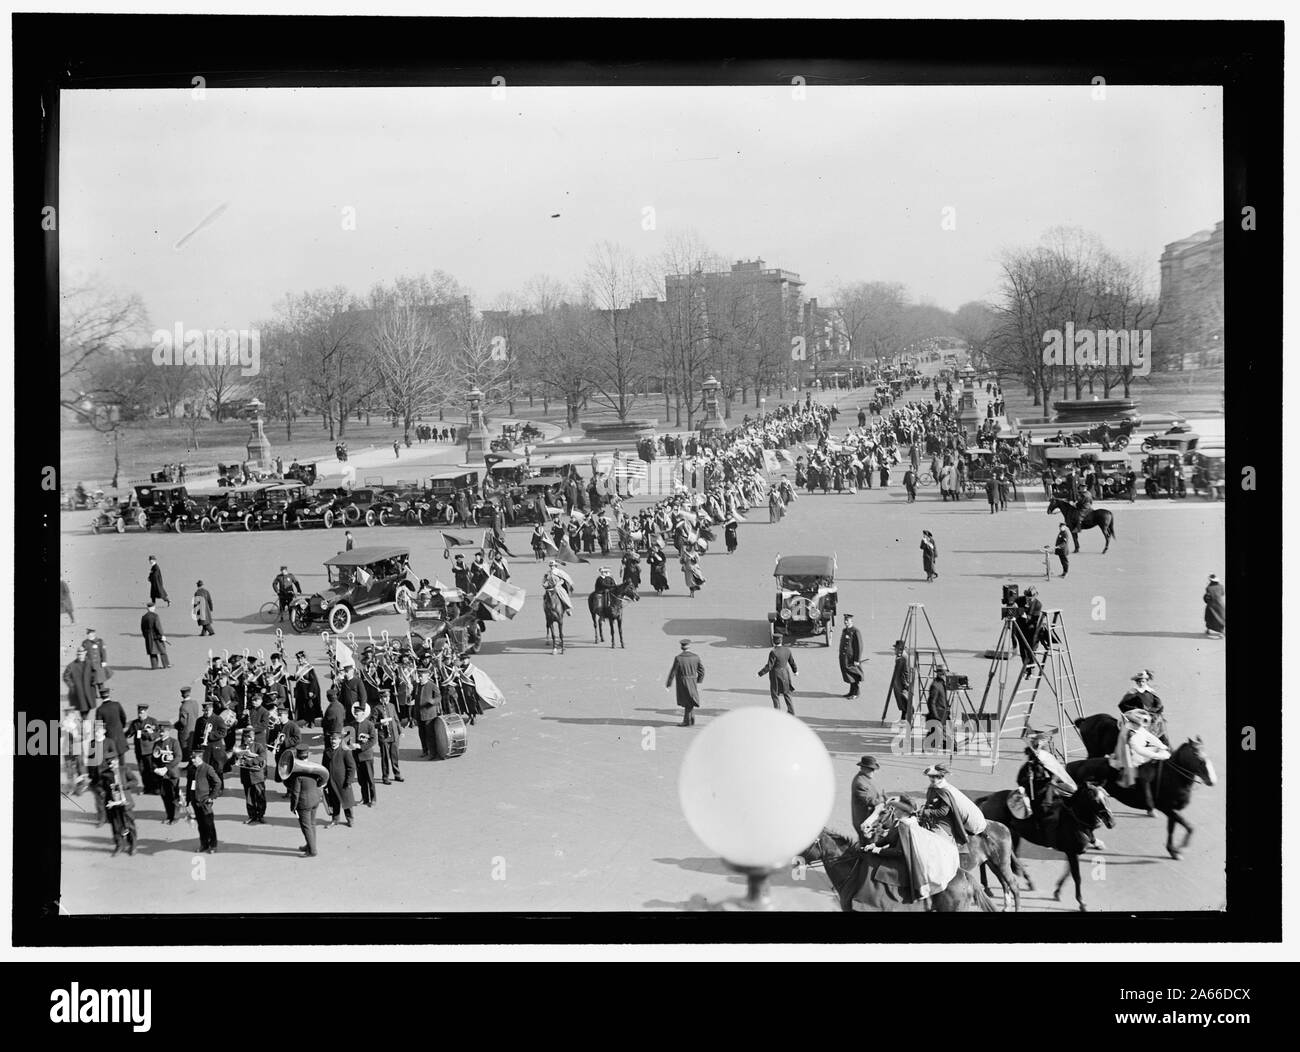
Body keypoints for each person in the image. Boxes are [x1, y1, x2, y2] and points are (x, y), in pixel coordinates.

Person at [917, 763, 987, 845]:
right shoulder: (933, 787)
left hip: (946, 818)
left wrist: (928, 812)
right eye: (931, 776)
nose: (933, 778)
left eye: (936, 776)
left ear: (941, 777)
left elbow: (943, 811)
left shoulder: (943, 791)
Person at [286, 745, 323, 857]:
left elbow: (295, 793)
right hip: (315, 799)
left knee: (306, 826)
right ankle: (310, 845)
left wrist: (293, 806)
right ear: (308, 755)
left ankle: (312, 851)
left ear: (297, 756)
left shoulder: (297, 774)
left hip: (304, 803)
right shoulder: (315, 768)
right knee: (312, 824)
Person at [187, 746, 223, 853]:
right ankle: (204, 844)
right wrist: (188, 800)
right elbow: (189, 785)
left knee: (209, 824)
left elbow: (218, 783)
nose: (192, 760)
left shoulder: (208, 769)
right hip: (195, 801)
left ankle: (213, 845)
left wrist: (211, 797)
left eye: (194, 758)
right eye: (191, 758)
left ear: (200, 758)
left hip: (205, 802)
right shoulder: (191, 769)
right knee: (201, 825)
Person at [666, 639, 705, 727]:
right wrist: (699, 680)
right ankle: (691, 719)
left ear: (681, 647)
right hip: (692, 680)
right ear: (689, 646)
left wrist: (669, 683)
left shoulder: (678, 658)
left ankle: (687, 721)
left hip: (682, 682)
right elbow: (701, 670)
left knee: (687, 701)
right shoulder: (696, 657)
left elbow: (673, 672)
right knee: (691, 699)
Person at [758, 634, 798, 714]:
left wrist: (760, 673)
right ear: (781, 641)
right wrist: (795, 671)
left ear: (773, 641)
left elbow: (769, 666)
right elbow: (792, 662)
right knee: (787, 693)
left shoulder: (773, 652)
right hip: (785, 674)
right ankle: (791, 712)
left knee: (775, 694)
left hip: (776, 675)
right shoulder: (787, 650)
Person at [323, 731, 357, 827]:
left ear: (340, 740)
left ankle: (350, 819)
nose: (333, 741)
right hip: (331, 782)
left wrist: (349, 781)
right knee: (334, 802)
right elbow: (324, 767)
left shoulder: (345, 751)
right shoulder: (327, 751)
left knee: (346, 802)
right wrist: (324, 781)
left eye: (335, 739)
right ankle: (335, 820)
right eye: (331, 739)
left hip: (343, 782)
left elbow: (351, 767)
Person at [126, 702, 160, 795]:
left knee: (151, 769)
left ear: (146, 712)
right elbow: (129, 733)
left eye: (142, 712)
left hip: (149, 750)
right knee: (142, 770)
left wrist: (149, 735)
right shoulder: (135, 723)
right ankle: (147, 788)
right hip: (139, 751)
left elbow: (158, 733)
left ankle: (156, 788)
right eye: (139, 712)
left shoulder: (152, 721)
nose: (140, 714)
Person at [235, 728, 268, 825]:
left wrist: (251, 762)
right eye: (246, 737)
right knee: (249, 798)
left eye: (250, 737)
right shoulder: (240, 747)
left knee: (260, 797)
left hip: (257, 776)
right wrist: (237, 757)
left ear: (254, 737)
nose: (249, 739)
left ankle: (260, 815)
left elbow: (263, 756)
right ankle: (252, 815)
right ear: (244, 738)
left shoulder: (258, 746)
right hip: (246, 777)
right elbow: (236, 759)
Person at [349, 701, 378, 807]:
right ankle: (365, 798)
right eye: (355, 713)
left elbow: (373, 740)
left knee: (370, 778)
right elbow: (348, 738)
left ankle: (373, 798)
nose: (355, 715)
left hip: (367, 756)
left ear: (363, 714)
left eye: (357, 713)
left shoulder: (369, 725)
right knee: (361, 780)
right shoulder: (352, 725)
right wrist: (350, 744)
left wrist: (360, 746)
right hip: (356, 756)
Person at [151, 729, 182, 824]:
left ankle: (175, 817)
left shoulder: (174, 742)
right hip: (161, 774)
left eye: (163, 731)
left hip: (172, 773)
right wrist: (155, 768)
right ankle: (169, 815)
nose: (161, 733)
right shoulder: (157, 743)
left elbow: (178, 757)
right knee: (165, 795)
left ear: (168, 732)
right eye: (160, 731)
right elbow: (153, 758)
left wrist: (167, 767)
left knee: (174, 796)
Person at [850, 755, 883, 844]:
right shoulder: (860, 782)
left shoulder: (865, 779)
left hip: (870, 818)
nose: (873, 772)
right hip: (865, 822)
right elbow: (870, 801)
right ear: (863, 768)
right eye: (871, 769)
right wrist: (883, 800)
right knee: (869, 847)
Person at [375, 689, 403, 784]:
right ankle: (385, 776)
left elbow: (396, 719)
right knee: (385, 758)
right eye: (384, 697)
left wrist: (400, 731)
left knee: (395, 756)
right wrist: (380, 724)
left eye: (388, 697)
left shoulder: (392, 706)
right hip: (384, 736)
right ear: (380, 699)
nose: (386, 699)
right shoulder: (377, 708)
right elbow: (372, 723)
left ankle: (397, 774)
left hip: (394, 735)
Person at [838, 613, 865, 699]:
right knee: (849, 675)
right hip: (845, 658)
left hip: (852, 658)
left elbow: (859, 646)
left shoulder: (855, 631)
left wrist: (857, 659)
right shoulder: (845, 631)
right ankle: (851, 692)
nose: (846, 622)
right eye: (845, 620)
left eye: (847, 620)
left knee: (854, 674)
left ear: (851, 621)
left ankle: (856, 693)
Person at [141, 601, 170, 669]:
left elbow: (142, 628)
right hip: (156, 636)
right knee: (162, 650)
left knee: (152, 652)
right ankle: (166, 664)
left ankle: (154, 666)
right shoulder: (155, 616)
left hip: (148, 636)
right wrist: (162, 635)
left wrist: (146, 636)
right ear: (153, 608)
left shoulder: (144, 617)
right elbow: (158, 627)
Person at [890, 640, 913, 722]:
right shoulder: (900, 656)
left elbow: (906, 671)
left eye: (895, 649)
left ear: (899, 649)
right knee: (902, 702)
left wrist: (905, 683)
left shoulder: (903, 657)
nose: (894, 650)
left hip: (902, 683)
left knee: (904, 701)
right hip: (898, 683)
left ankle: (906, 718)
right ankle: (903, 717)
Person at [175, 686, 200, 761]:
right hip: (194, 728)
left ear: (182, 695)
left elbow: (183, 722)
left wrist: (175, 725)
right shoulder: (195, 703)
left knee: (185, 749)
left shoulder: (183, 707)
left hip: (185, 732)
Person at [1204, 573, 1226, 638]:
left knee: (1209, 617)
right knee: (1221, 618)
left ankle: (1208, 630)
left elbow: (1208, 597)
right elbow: (1222, 594)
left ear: (1210, 580)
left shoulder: (1208, 588)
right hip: (1220, 604)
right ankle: (1221, 632)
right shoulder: (1221, 586)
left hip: (1211, 605)